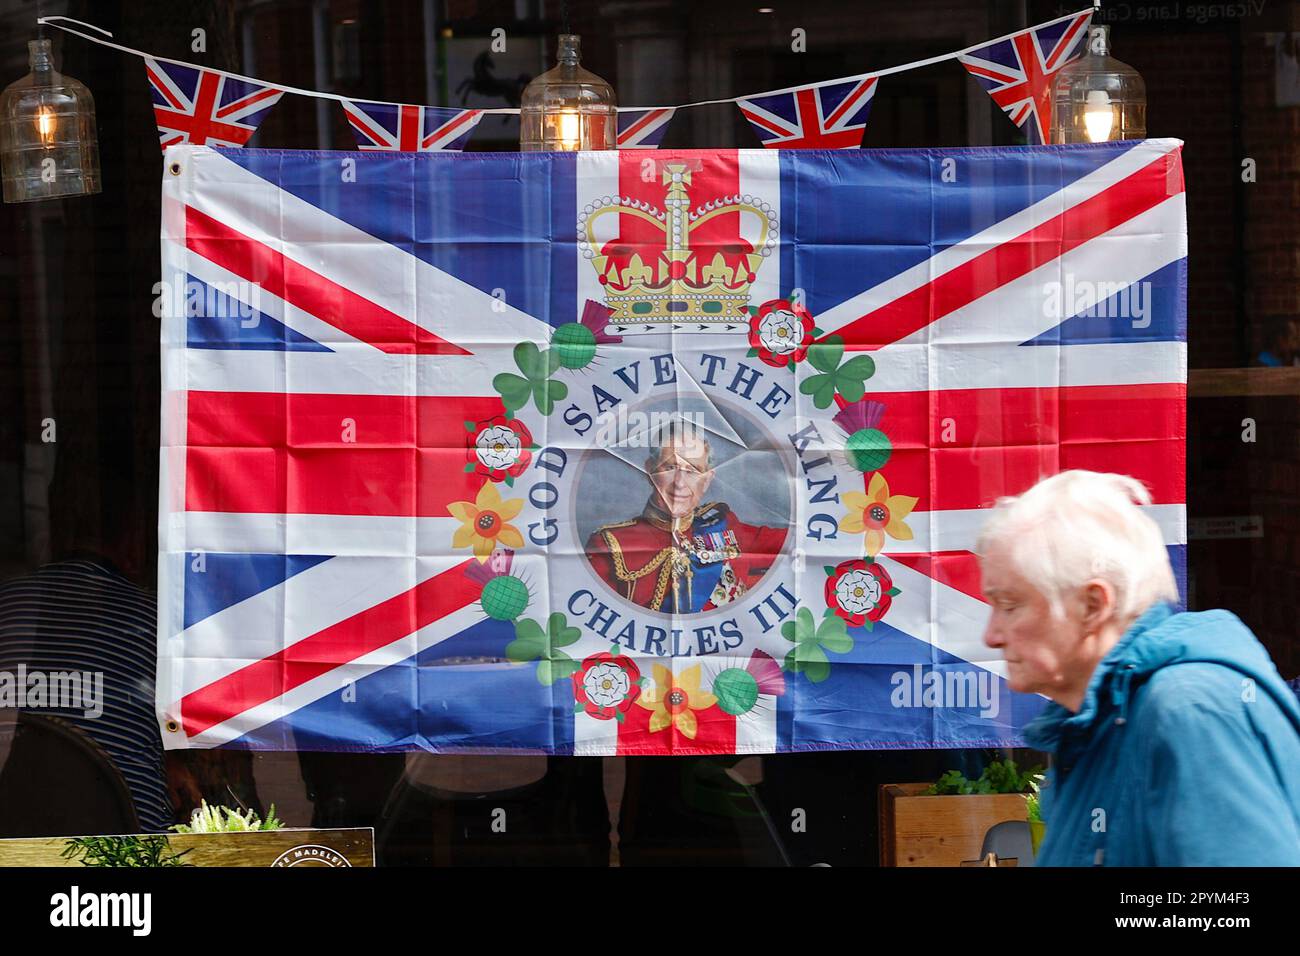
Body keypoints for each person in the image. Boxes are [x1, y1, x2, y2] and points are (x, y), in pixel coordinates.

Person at [977, 470, 1300, 866]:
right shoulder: (1096, 723)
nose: (991, 635)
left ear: (1093, 606)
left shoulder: (1189, 711)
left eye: (1010, 605)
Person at [585, 423, 786, 614]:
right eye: (669, 467)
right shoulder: (610, 545)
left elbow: (803, 542)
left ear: (707, 480)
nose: (680, 483)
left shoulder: (724, 525)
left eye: (693, 471)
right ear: (649, 470)